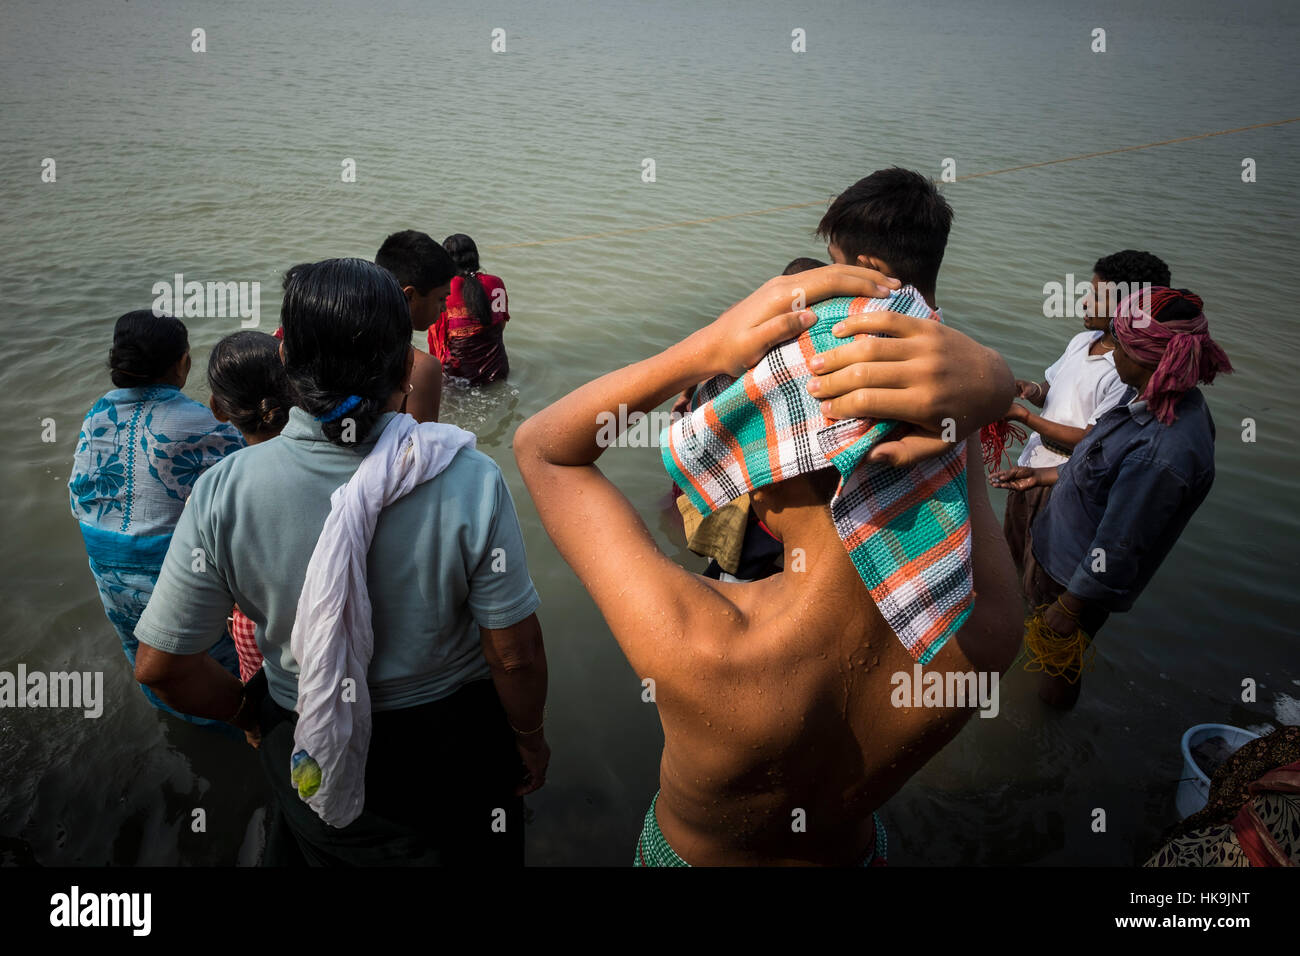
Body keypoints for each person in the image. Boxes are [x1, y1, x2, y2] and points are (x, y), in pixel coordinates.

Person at [515, 169, 1021, 866]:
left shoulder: (703, 646)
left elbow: (544, 449)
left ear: (769, 492)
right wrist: (990, 382)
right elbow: (949, 460)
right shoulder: (982, 631)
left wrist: (704, 347)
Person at [133, 259, 547, 866]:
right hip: (450, 747)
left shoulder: (226, 490)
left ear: (287, 363)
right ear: (405, 364)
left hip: (303, 737)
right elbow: (512, 652)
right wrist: (530, 740)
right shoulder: (466, 475)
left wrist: (252, 712)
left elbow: (162, 666)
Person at [990, 286, 1232, 709]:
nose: (1112, 353)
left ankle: (1048, 732)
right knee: (1046, 643)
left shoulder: (1165, 450)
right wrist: (1044, 475)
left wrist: (1071, 606)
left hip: (1073, 577)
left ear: (1144, 354)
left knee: (1059, 660)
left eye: (1118, 344)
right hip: (1059, 556)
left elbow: (1122, 541)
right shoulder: (1149, 401)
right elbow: (1105, 468)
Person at [69, 310, 243, 728]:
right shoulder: (200, 422)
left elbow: (83, 491)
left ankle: (177, 717)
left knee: (148, 655)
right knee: (206, 660)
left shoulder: (97, 413)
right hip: (168, 569)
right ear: (183, 363)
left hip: (108, 569)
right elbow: (245, 484)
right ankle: (240, 723)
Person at [1002, 250, 1171, 576]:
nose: (1084, 303)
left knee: (1043, 573)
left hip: (1065, 484)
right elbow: (1053, 392)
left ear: (1129, 309)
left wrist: (1023, 417)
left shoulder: (1124, 372)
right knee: (1010, 563)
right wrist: (1032, 391)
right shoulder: (1082, 341)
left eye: (1096, 297)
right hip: (1029, 465)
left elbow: (1089, 440)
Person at [206, 330, 297, 701]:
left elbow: (158, 667)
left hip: (255, 633)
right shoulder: (341, 461)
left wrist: (245, 718)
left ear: (217, 408)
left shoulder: (216, 489)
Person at [374, 230, 455, 422]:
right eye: (441, 298)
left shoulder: (344, 342)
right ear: (409, 296)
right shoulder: (422, 367)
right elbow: (417, 448)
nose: (444, 309)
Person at [432, 234, 511, 385]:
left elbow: (438, 339)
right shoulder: (496, 283)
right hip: (498, 371)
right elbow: (501, 326)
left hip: (459, 377)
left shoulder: (445, 288)